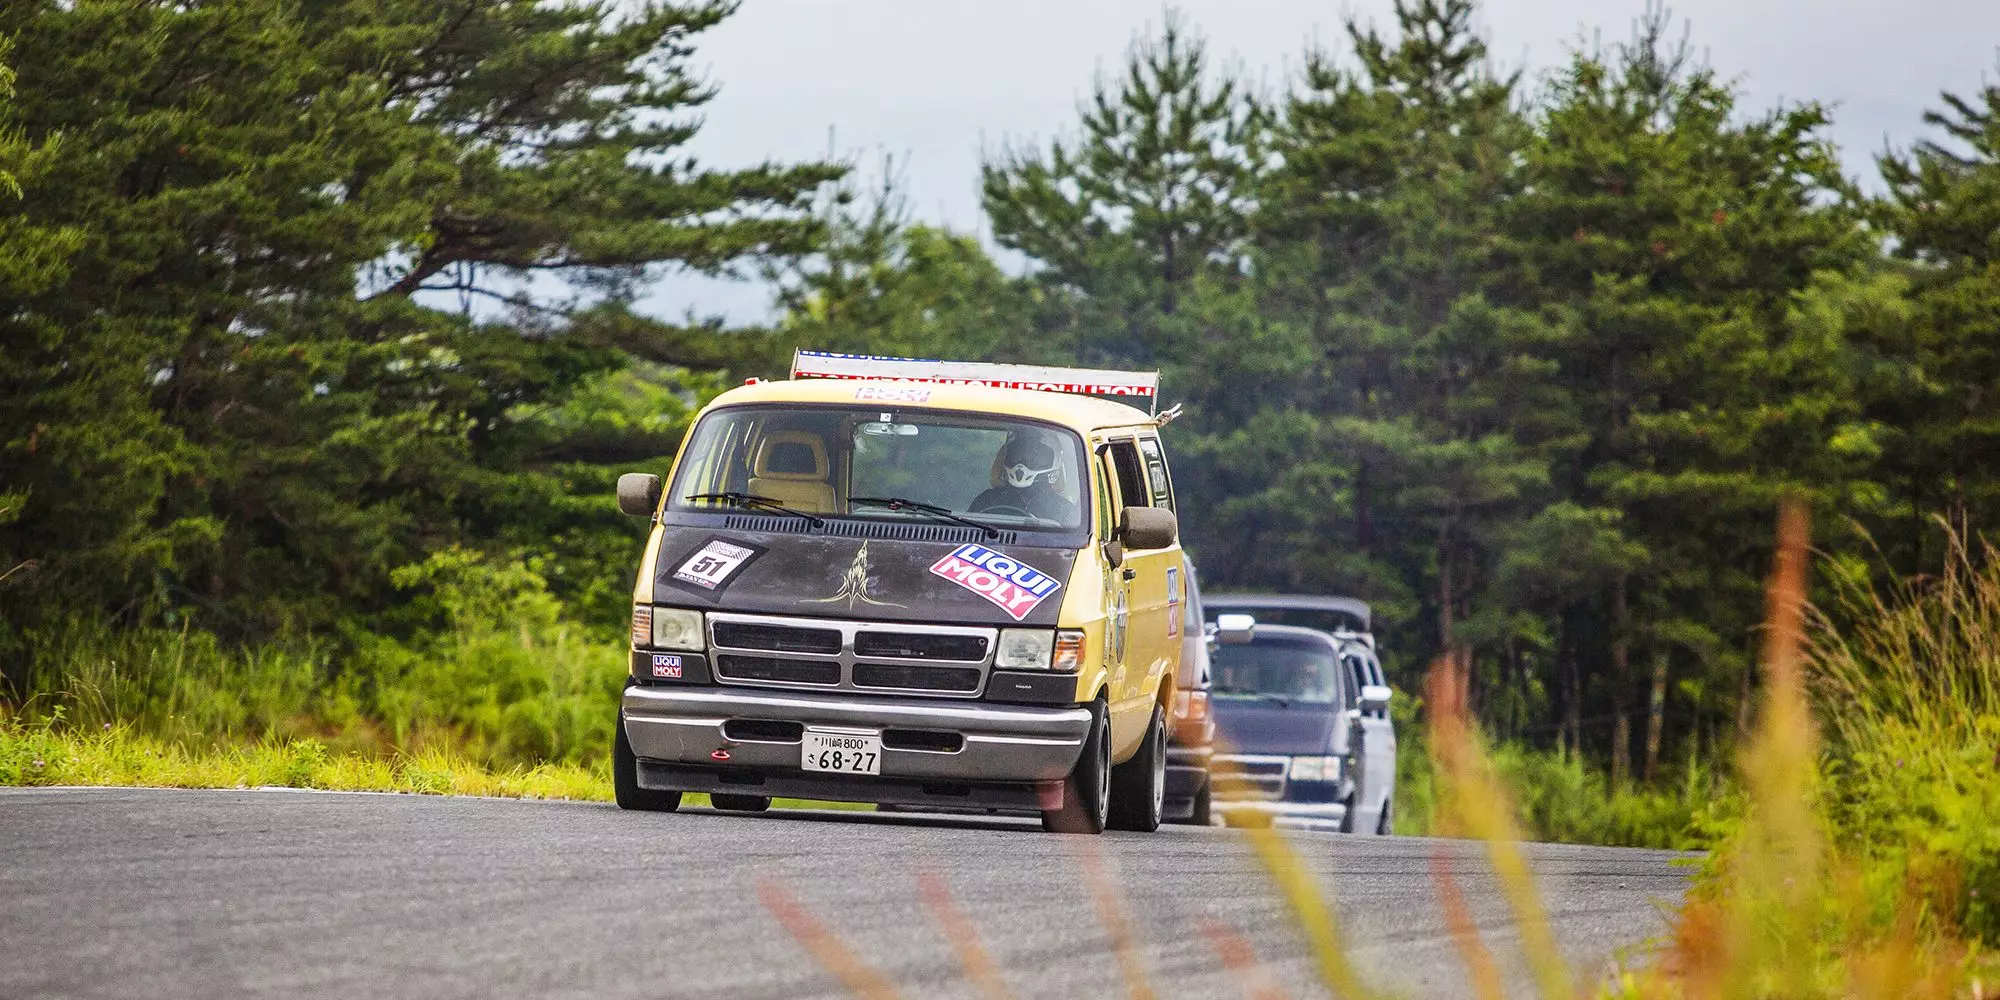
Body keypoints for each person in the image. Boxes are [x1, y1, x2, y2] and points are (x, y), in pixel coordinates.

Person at [969, 436, 1076, 524]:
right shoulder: (987, 500)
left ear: (1054, 460)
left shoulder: (1064, 510)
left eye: (1033, 457)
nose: (1021, 464)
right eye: (1016, 455)